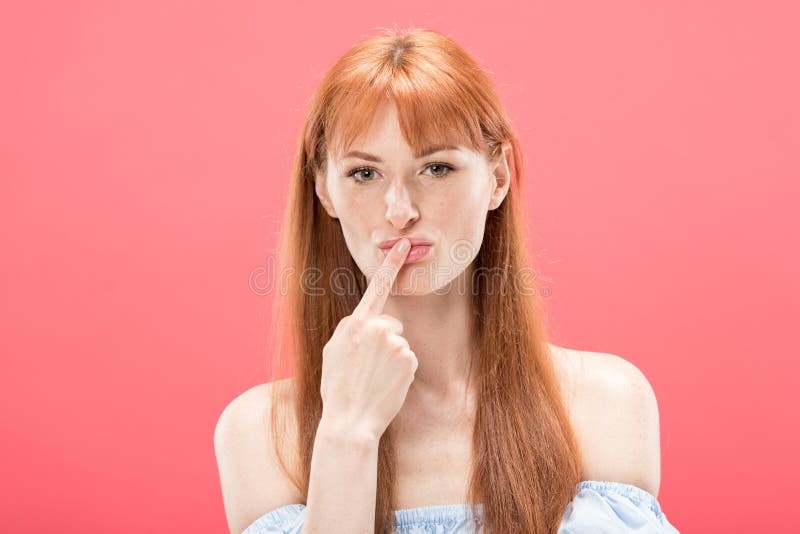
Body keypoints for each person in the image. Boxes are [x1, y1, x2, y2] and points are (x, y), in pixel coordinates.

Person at [214, 27, 680, 534]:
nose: (400, 212)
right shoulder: (261, 435)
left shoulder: (607, 404)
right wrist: (347, 434)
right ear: (325, 190)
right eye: (365, 174)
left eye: (436, 168)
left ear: (497, 178)